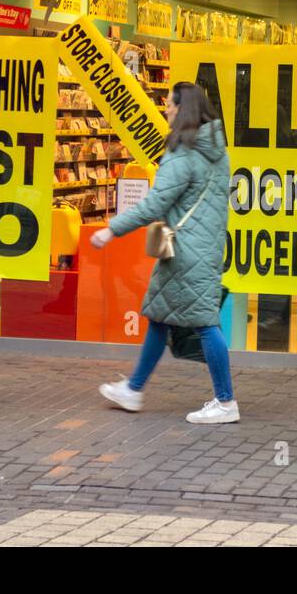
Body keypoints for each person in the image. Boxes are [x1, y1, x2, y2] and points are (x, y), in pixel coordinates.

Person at [95, 82, 236, 425]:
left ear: (182, 108)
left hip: (185, 250)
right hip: (201, 246)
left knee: (204, 323)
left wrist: (112, 229)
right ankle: (134, 389)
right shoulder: (216, 148)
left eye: (169, 104)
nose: (165, 109)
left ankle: (225, 400)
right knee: (160, 316)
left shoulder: (182, 152)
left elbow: (155, 203)